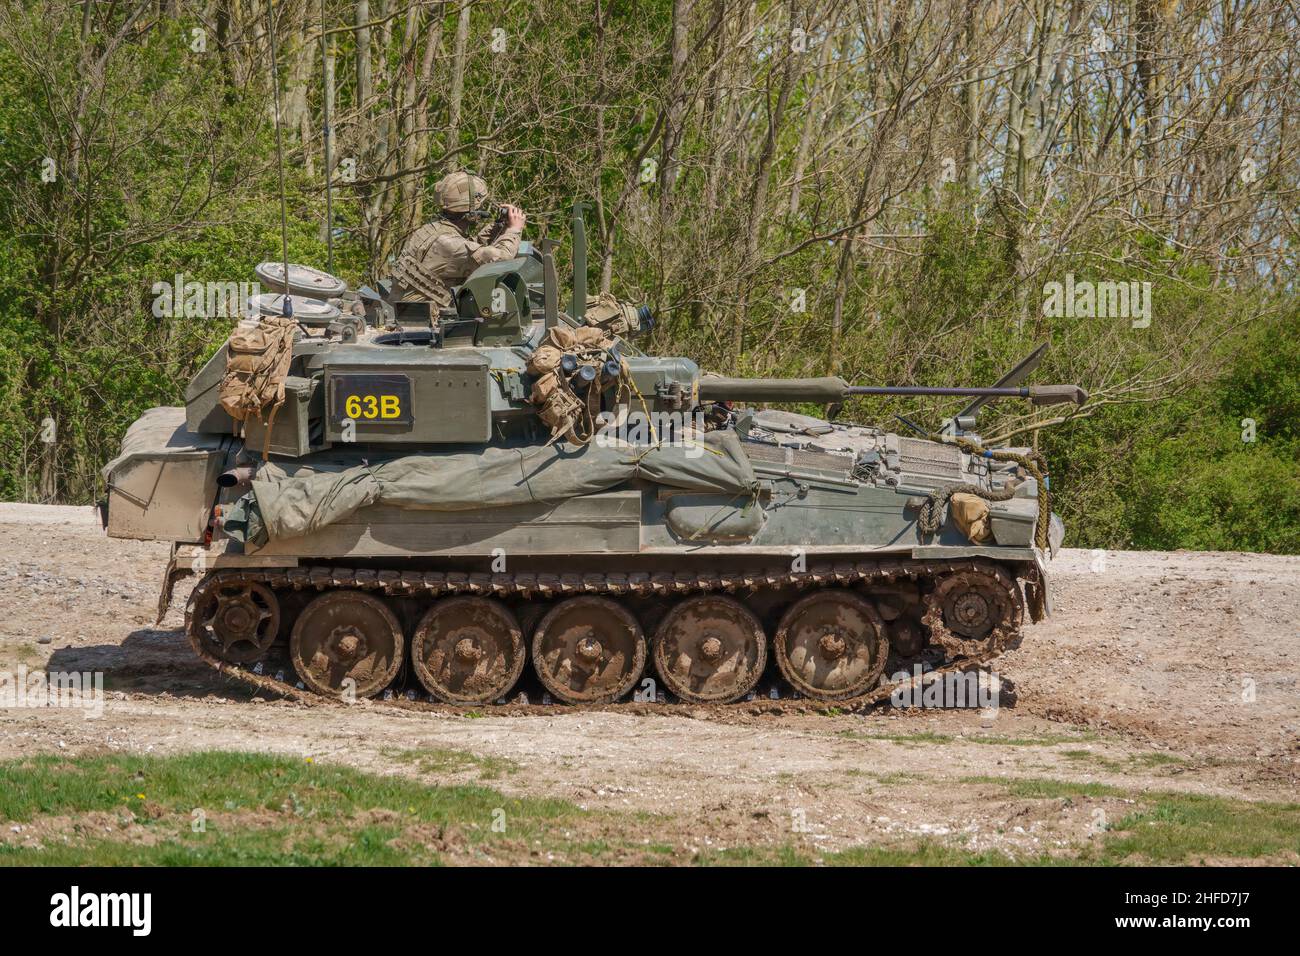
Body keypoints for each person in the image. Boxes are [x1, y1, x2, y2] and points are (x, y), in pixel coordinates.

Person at [391, 171, 526, 306]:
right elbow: (501, 260)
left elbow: (469, 247)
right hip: (419, 321)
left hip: (407, 314)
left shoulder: (434, 230)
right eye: (481, 206)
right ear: (472, 213)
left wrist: (498, 226)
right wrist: (514, 230)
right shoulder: (449, 244)